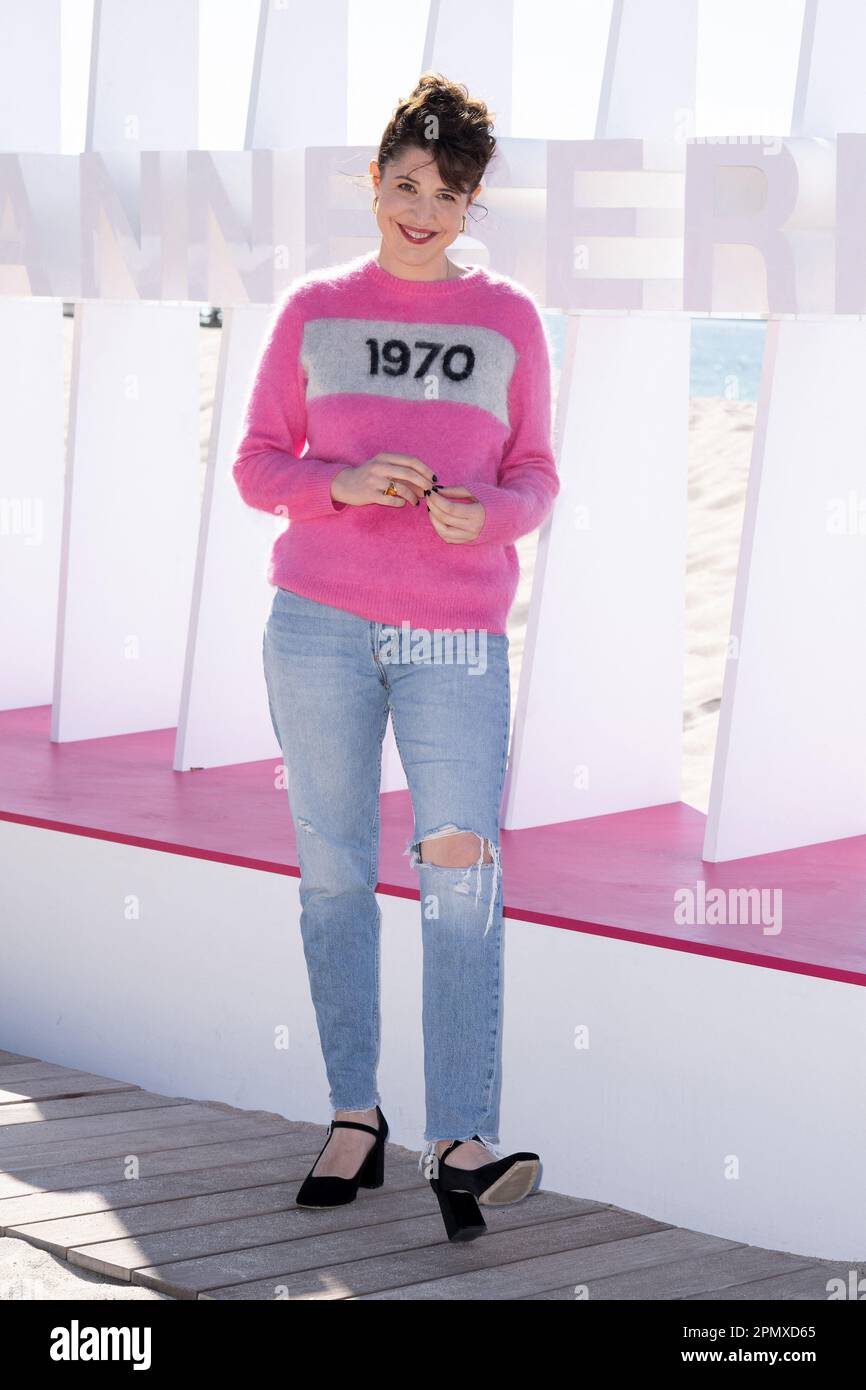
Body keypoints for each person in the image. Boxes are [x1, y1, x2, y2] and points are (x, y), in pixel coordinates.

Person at [232, 72, 560, 1241]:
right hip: (318, 625)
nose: (422, 211)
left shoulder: (509, 318)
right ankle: (352, 1111)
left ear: (471, 206)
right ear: (374, 182)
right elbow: (258, 464)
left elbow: (536, 477)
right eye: (406, 185)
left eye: (449, 194)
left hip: (455, 641)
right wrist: (340, 483)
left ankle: (460, 1139)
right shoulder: (313, 309)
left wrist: (492, 516)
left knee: (461, 872)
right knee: (333, 874)